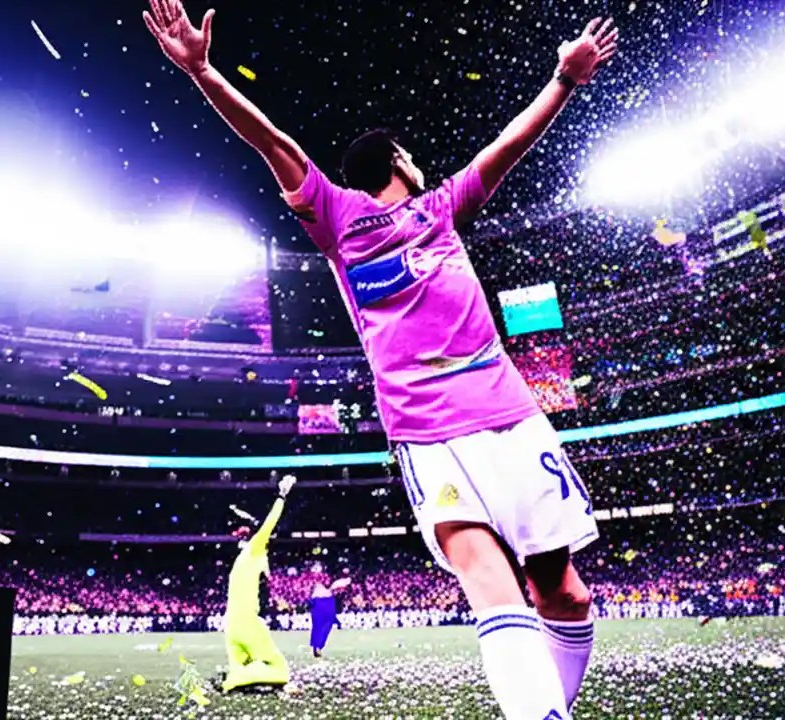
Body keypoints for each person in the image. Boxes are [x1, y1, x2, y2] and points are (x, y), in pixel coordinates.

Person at [143, 2, 618, 716]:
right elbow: (270, 140)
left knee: (563, 592)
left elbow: (508, 145)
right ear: (396, 160)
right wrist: (204, 71)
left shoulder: (444, 207)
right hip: (427, 434)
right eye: (409, 154)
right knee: (490, 584)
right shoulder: (337, 216)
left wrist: (563, 79)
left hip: (510, 417)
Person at [220, 475, 295, 693]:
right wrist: (282, 495)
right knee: (281, 671)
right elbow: (269, 523)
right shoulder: (255, 550)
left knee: (249, 661)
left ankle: (237, 674)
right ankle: (236, 678)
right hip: (247, 623)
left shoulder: (241, 560)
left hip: (231, 626)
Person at [308, 576, 351, 658]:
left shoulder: (319, 590)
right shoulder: (325, 590)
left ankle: (317, 646)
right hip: (325, 604)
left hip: (320, 605)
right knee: (324, 627)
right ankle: (318, 646)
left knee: (319, 628)